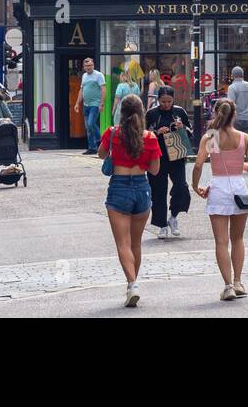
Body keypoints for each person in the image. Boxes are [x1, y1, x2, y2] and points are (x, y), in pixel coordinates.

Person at [192, 98, 248, 301]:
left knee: (221, 241)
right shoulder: (243, 137)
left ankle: (228, 286)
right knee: (237, 239)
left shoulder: (212, 137)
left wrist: (195, 186)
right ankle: (239, 281)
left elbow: (198, 164)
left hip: (219, 187)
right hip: (239, 187)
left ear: (216, 112)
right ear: (234, 114)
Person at [98, 93, 161, 307]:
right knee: (136, 243)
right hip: (142, 188)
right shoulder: (150, 138)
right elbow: (154, 169)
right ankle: (132, 284)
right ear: (142, 112)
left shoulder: (113, 133)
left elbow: (100, 154)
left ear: (121, 113)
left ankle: (132, 284)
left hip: (119, 187)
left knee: (123, 244)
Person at [145, 86, 192, 239]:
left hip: (177, 155)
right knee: (158, 191)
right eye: (163, 101)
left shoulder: (179, 112)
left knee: (181, 186)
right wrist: (156, 133)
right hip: (157, 157)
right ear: (158, 100)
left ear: (173, 100)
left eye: (169, 101)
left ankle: (173, 217)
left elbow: (191, 133)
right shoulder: (151, 114)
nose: (166, 104)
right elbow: (142, 135)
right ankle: (161, 225)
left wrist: (182, 127)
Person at [73, 57, 106, 154]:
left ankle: (100, 141)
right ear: (84, 67)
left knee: (91, 123)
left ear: (93, 65)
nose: (88, 67)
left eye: (90, 65)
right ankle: (92, 148)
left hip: (95, 104)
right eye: (86, 66)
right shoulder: (84, 76)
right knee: (88, 127)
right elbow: (81, 90)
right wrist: (77, 103)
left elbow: (103, 89)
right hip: (86, 104)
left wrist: (102, 103)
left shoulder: (99, 75)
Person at [227, 66, 248, 139]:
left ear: (232, 75)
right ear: (243, 74)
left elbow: (231, 104)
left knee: (238, 143)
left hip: (237, 119)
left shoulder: (232, 87)